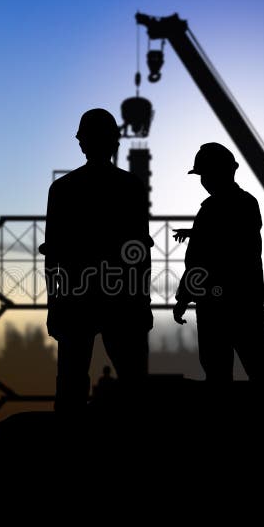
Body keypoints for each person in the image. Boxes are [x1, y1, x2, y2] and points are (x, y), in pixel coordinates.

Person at [40, 108, 153, 414]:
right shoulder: (131, 187)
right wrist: (143, 303)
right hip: (124, 299)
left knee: (71, 384)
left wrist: (55, 305)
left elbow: (54, 258)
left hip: (78, 298)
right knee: (133, 383)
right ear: (115, 142)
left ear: (82, 143)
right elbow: (139, 252)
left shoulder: (63, 190)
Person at [172, 142, 264, 382]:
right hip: (238, 307)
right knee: (252, 372)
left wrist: (184, 298)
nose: (204, 181)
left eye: (205, 174)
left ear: (221, 173)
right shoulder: (237, 205)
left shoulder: (227, 208)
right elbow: (202, 258)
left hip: (227, 308)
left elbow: (208, 257)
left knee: (239, 374)